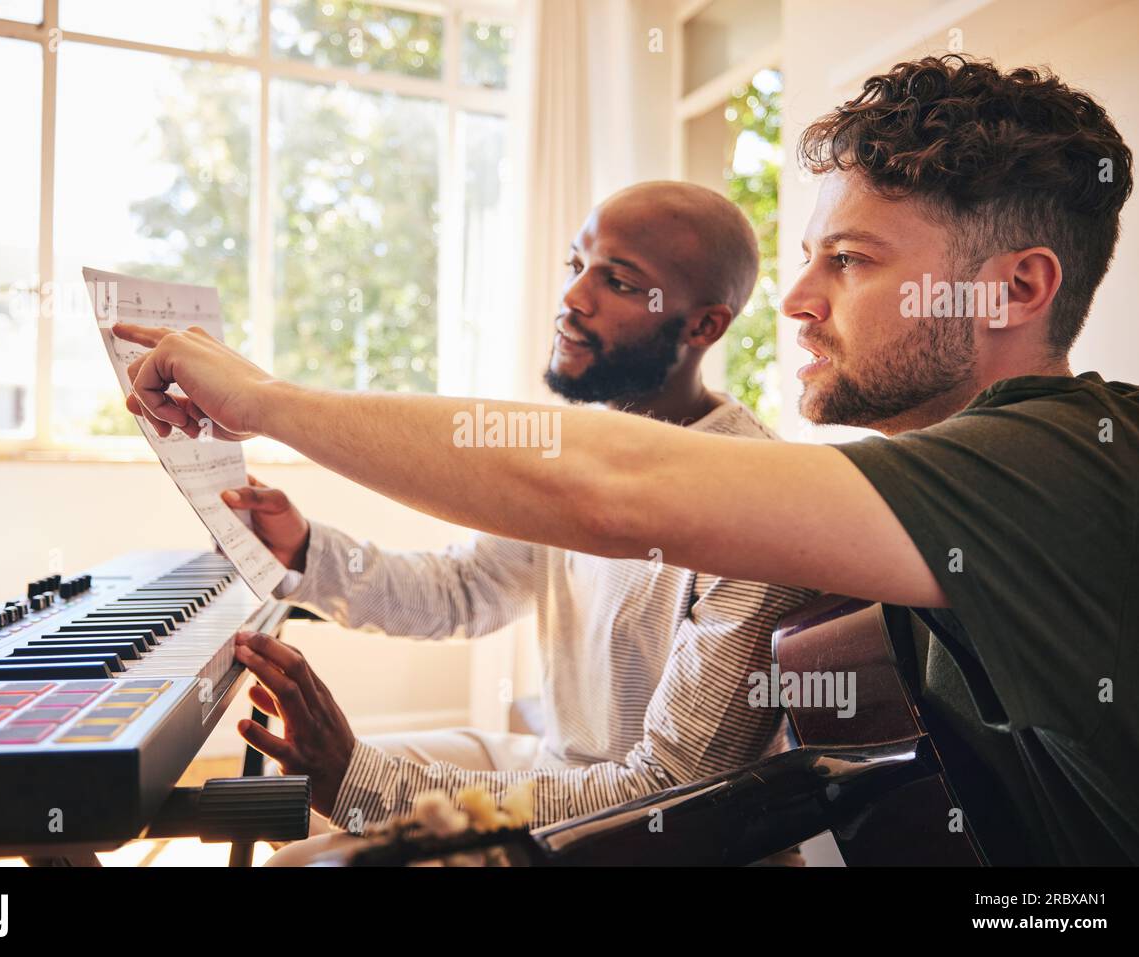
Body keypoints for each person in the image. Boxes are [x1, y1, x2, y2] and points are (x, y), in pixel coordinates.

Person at [116, 55, 1139, 864]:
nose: (796, 302)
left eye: (849, 261)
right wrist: (313, 558)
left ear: (1012, 291)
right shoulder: (932, 502)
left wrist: (264, 400)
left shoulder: (1072, 463)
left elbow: (610, 489)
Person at [223, 183, 813, 863]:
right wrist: (305, 549)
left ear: (703, 326)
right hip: (560, 765)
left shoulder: (751, 498)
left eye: (617, 281)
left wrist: (360, 777)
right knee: (293, 798)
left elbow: (671, 790)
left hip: (653, 838)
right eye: (576, 266)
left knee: (305, 857)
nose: (572, 298)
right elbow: (465, 588)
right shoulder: (576, 452)